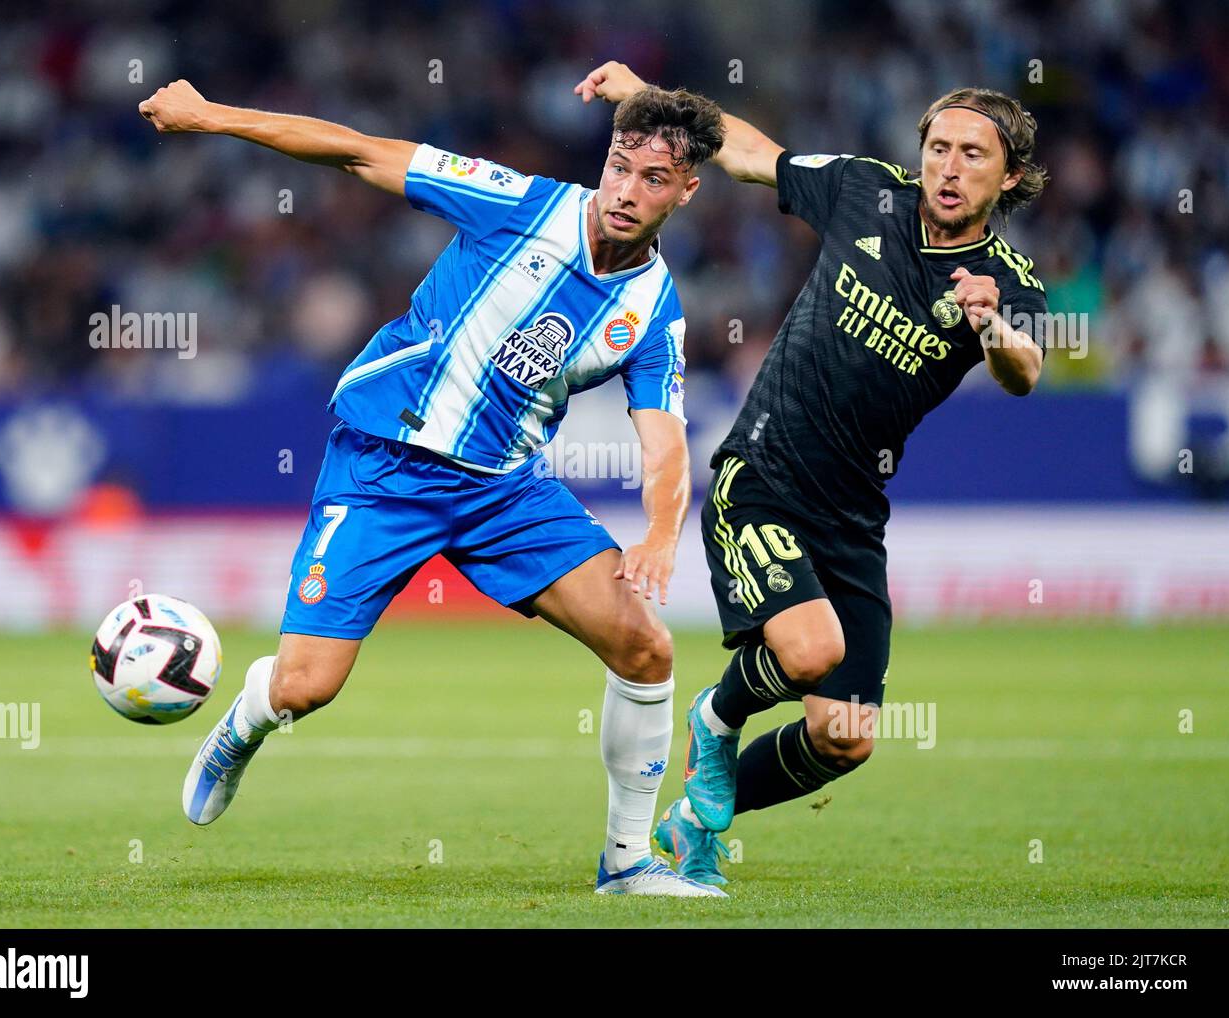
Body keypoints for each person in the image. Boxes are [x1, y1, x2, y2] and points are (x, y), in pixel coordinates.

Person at [138, 77, 727, 896]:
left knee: (646, 645)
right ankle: (248, 718)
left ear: (687, 190)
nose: (628, 191)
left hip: (504, 492)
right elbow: (358, 150)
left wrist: (662, 534)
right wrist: (209, 117)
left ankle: (627, 864)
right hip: (385, 464)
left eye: (654, 179)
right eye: (620, 167)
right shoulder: (517, 203)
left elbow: (665, 445)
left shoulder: (653, 310)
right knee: (308, 686)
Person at [576, 62, 1048, 887]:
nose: (948, 165)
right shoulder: (867, 191)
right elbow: (752, 151)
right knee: (808, 646)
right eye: (939, 146)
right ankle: (717, 719)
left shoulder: (1009, 285)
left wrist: (993, 324)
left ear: (1008, 177)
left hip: (853, 515)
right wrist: (646, 95)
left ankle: (692, 824)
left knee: (846, 734)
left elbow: (1025, 370)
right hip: (762, 473)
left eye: (973, 155)